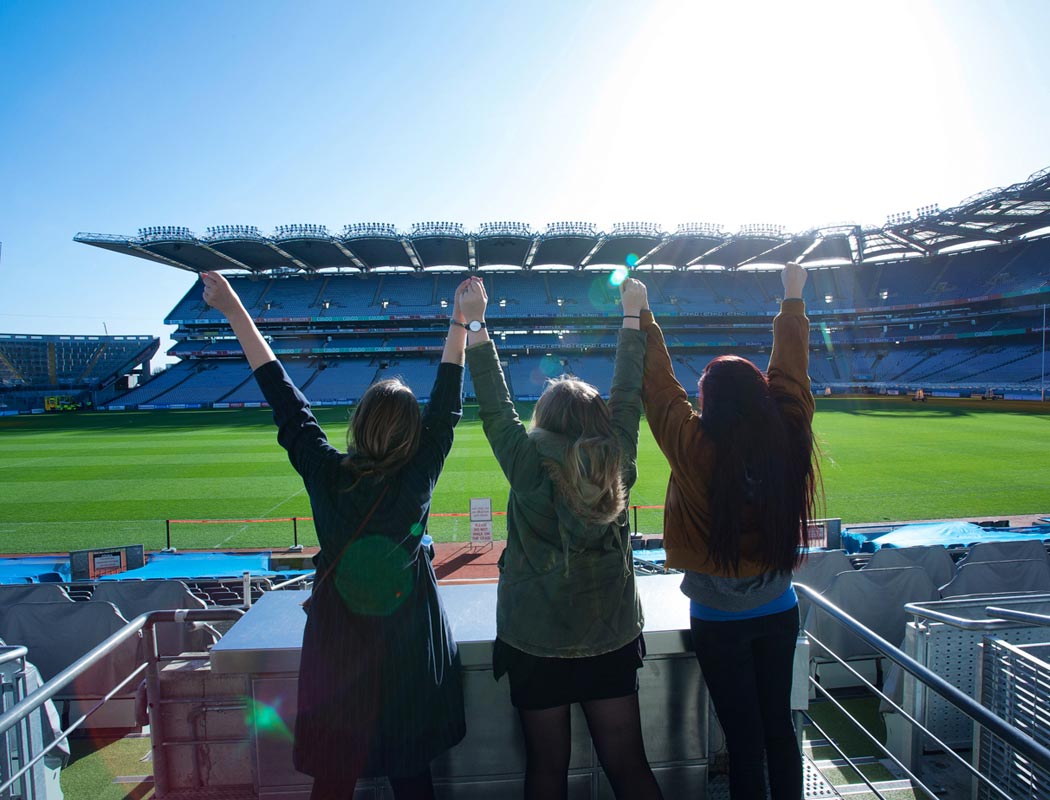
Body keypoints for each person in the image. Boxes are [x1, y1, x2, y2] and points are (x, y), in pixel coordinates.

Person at [201, 271, 468, 800]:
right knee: (411, 775)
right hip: (408, 652)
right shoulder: (416, 482)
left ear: (358, 424)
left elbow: (286, 400)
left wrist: (235, 310)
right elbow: (447, 407)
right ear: (412, 436)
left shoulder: (327, 476)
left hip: (338, 648)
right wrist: (461, 320)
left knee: (334, 777)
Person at [459, 275, 663, 800]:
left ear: (546, 420)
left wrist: (477, 324)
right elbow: (628, 394)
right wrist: (632, 316)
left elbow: (496, 410)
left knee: (546, 771)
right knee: (629, 765)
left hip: (535, 642)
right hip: (610, 637)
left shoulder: (528, 462)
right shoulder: (617, 457)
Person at [640, 262, 818, 800]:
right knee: (779, 731)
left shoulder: (694, 450)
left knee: (744, 742)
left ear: (710, 401)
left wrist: (641, 315)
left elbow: (658, 389)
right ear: (760, 394)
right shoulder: (788, 436)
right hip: (777, 607)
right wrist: (791, 298)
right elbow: (791, 372)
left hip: (717, 618)